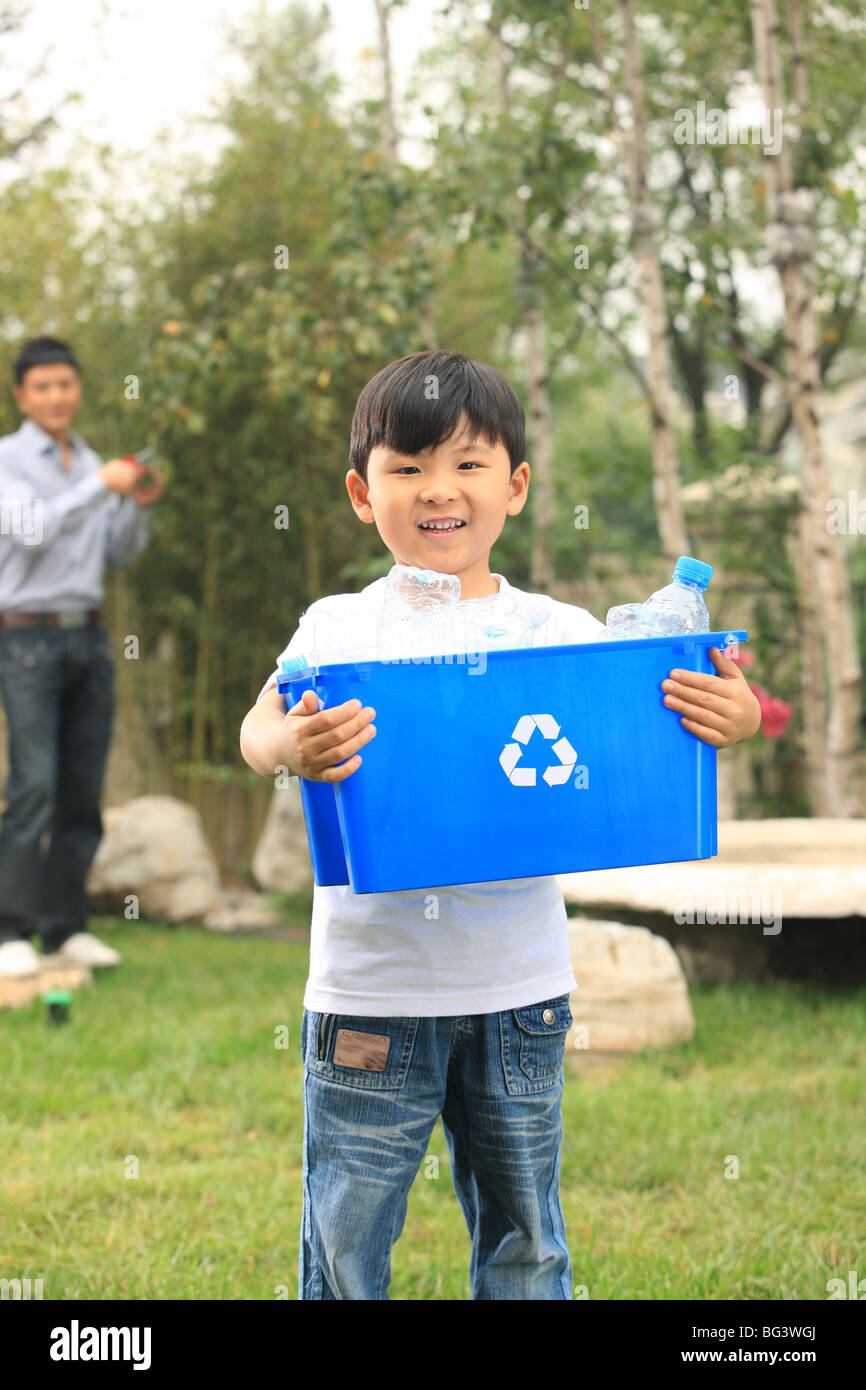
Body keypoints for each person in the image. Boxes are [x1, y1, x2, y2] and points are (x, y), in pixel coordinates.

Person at [239, 349, 761, 1300]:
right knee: (344, 1235)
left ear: (514, 486)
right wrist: (290, 749)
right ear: (363, 493)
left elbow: (657, 715)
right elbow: (259, 723)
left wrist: (741, 714)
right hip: (370, 995)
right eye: (408, 467)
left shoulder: (559, 633)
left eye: (468, 463)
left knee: (527, 1235)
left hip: (518, 994)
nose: (439, 489)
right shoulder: (338, 626)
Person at [0, 337, 167, 979]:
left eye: (65, 385)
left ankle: (63, 928)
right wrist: (100, 485)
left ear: (77, 389)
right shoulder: (11, 460)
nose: (56, 397)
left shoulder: (89, 459)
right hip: (27, 640)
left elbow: (115, 554)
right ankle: (12, 928)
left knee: (81, 791)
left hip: (89, 639)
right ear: (23, 395)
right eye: (42, 387)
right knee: (33, 786)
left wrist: (135, 507)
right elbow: (33, 531)